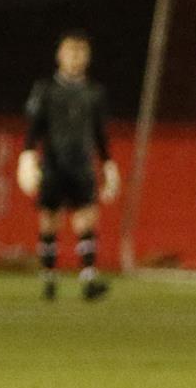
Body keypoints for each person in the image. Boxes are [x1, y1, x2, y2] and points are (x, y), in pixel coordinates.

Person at [17, 30, 120, 301]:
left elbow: (100, 133)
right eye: (70, 52)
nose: (75, 57)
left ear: (87, 57)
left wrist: (108, 163)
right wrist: (27, 156)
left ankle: (88, 279)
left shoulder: (94, 93)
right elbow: (34, 128)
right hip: (52, 163)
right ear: (59, 55)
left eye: (81, 52)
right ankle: (49, 278)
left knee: (86, 218)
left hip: (81, 165)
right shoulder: (46, 90)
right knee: (50, 220)